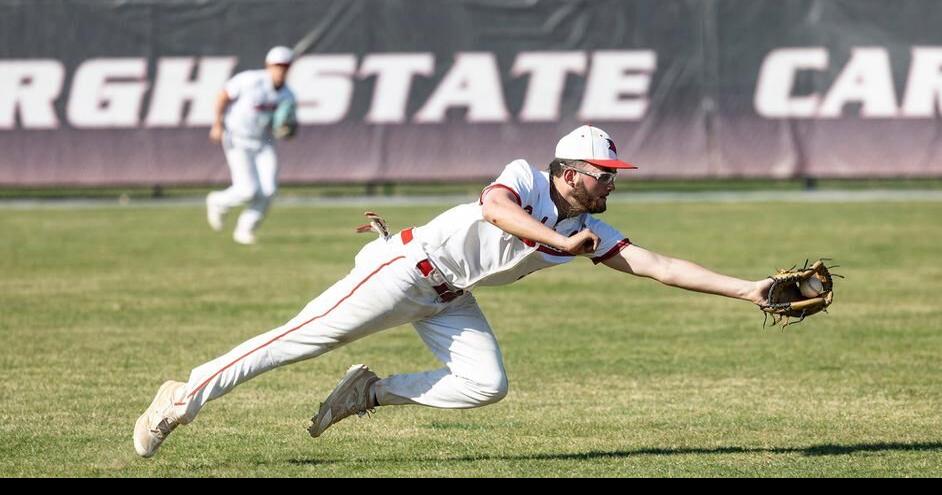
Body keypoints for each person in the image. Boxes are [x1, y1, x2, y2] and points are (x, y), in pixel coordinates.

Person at [134, 125, 775, 458]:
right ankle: (180, 398)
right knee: (293, 343)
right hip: (401, 271)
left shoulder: (587, 226)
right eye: (604, 174)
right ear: (572, 172)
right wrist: (557, 244)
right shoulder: (526, 178)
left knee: (485, 383)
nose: (612, 183)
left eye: (613, 174)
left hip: (448, 297)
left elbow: (658, 264)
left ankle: (371, 392)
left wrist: (750, 290)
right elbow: (496, 210)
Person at [206, 46, 296, 245]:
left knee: (269, 190)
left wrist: (287, 129)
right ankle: (217, 201)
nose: (280, 70)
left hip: (263, 142)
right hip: (237, 138)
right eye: (277, 66)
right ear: (268, 65)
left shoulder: (288, 95)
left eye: (285, 66)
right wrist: (217, 123)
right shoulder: (250, 80)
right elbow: (223, 96)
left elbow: (287, 128)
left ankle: (246, 228)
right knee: (247, 190)